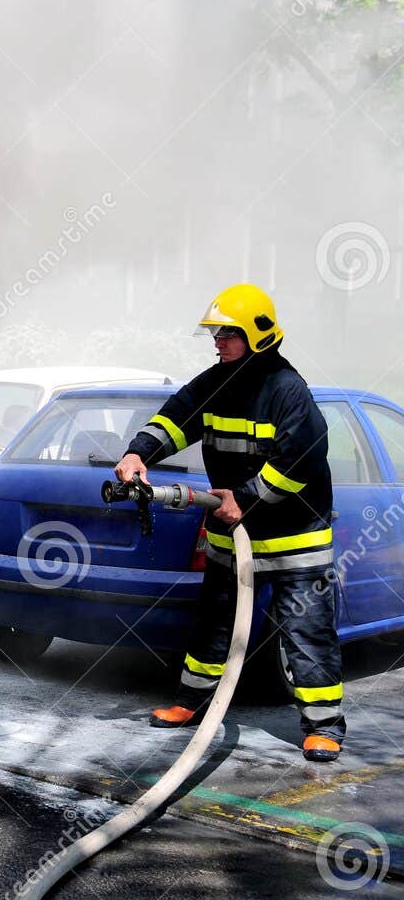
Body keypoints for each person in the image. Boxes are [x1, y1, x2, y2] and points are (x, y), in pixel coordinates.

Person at [113, 284, 344, 762]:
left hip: (294, 539)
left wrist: (246, 499)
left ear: (258, 335)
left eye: (227, 333)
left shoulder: (287, 391)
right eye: (215, 333)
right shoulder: (215, 382)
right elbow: (176, 419)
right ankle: (192, 702)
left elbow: (299, 461)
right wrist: (139, 451)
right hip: (231, 533)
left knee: (305, 629)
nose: (217, 341)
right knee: (215, 627)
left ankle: (323, 726)